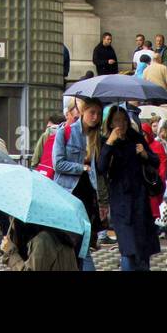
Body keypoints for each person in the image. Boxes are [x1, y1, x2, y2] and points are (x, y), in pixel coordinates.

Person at [97, 105, 161, 271]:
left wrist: (145, 154)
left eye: (124, 120)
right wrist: (110, 143)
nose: (121, 124)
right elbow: (101, 168)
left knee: (142, 246)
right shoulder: (105, 141)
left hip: (139, 198)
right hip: (120, 200)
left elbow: (155, 161)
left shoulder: (136, 138)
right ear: (110, 123)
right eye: (117, 121)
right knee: (128, 248)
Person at [53, 98, 103, 271]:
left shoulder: (98, 137)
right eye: (92, 112)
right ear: (82, 111)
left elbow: (100, 173)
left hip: (89, 196)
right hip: (68, 193)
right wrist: (81, 167)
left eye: (98, 113)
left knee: (83, 244)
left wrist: (103, 201)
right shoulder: (65, 132)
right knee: (74, 245)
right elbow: (58, 164)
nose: (95, 117)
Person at [2, 218, 80, 272]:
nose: (11, 224)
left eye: (11, 219)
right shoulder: (57, 235)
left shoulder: (43, 241)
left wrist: (10, 252)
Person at [141, 118, 167, 225]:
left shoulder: (157, 146)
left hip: (155, 182)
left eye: (144, 134)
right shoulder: (139, 147)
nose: (143, 137)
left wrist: (160, 178)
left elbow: (163, 163)